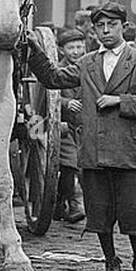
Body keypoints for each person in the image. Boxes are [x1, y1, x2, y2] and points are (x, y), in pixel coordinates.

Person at [26, 2, 136, 271]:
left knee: (133, 211)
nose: (104, 30)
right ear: (93, 30)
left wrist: (120, 101)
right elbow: (53, 78)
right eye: (99, 26)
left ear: (122, 27)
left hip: (129, 150)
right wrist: (32, 52)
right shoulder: (87, 63)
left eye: (111, 25)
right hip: (94, 150)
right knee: (99, 212)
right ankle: (111, 263)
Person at [53, 27, 87, 224]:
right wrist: (66, 103)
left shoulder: (88, 65)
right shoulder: (57, 70)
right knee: (71, 163)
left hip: (82, 125)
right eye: (71, 47)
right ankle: (73, 203)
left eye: (79, 47)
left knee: (77, 165)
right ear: (62, 50)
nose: (76, 51)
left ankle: (58, 203)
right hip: (62, 125)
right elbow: (49, 96)